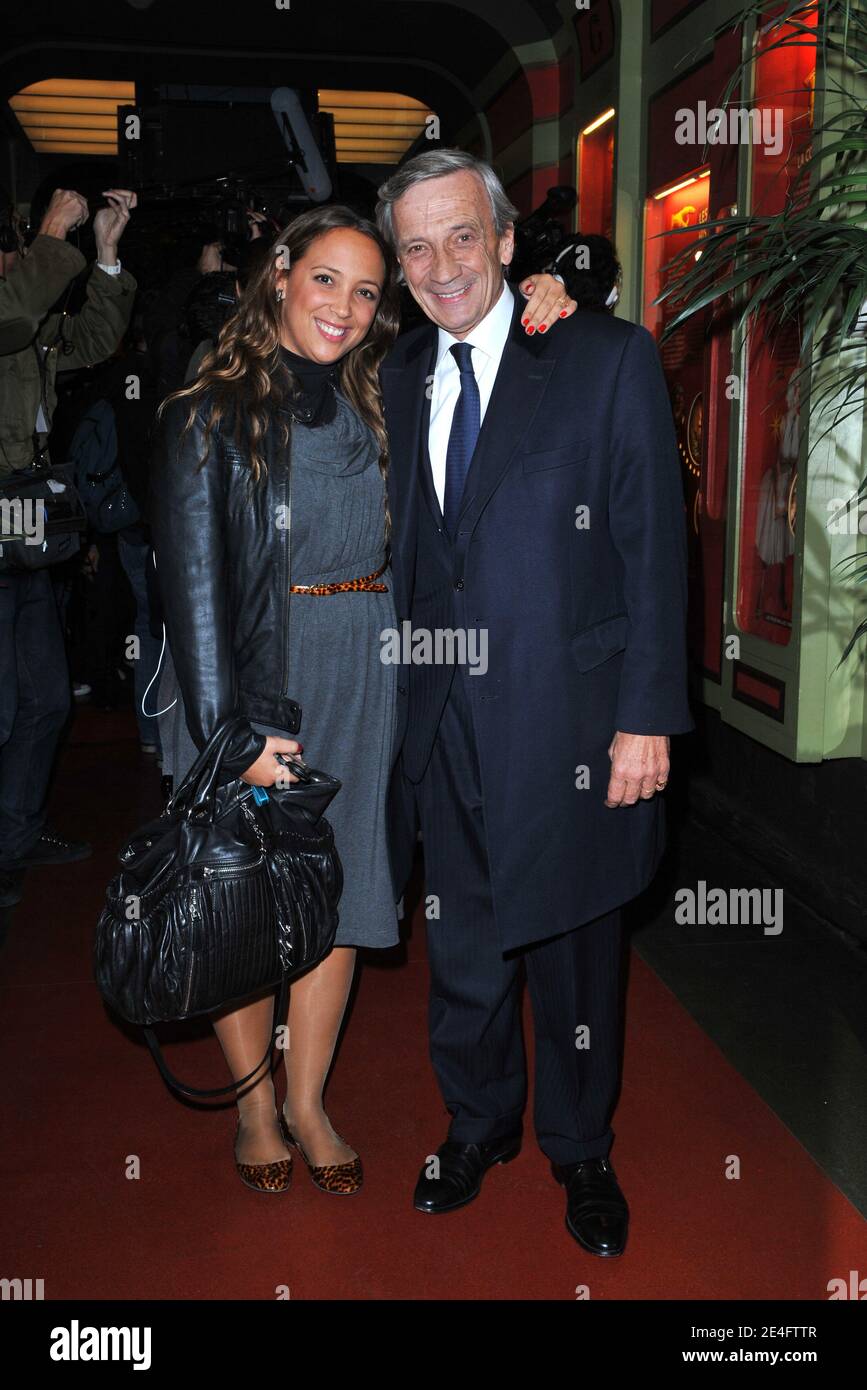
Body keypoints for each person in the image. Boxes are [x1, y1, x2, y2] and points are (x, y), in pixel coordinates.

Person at [149, 203, 572, 1195]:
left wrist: (547, 297)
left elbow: (494, 354)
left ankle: (307, 1098)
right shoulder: (206, 411)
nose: (343, 305)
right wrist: (234, 731)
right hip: (257, 680)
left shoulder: (387, 391)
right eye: (326, 278)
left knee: (341, 894)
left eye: (367, 290)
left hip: (367, 669)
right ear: (283, 274)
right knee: (246, 896)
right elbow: (193, 594)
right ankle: (254, 1102)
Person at [376, 148, 693, 1255]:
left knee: (572, 949)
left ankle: (579, 1147)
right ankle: (476, 1126)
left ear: (509, 242)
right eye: (415, 245)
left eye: (463, 235)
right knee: (460, 945)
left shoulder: (604, 357)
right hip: (439, 720)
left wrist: (646, 715)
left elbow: (656, 551)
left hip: (570, 720)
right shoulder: (400, 370)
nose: (442, 263)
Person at [0, 187, 136, 908]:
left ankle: (15, 834)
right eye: (21, 235)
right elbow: (17, 315)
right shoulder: (14, 300)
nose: (25, 244)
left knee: (46, 699)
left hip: (23, 517)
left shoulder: (27, 295)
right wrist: (54, 234)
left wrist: (106, 255)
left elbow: (84, 341)